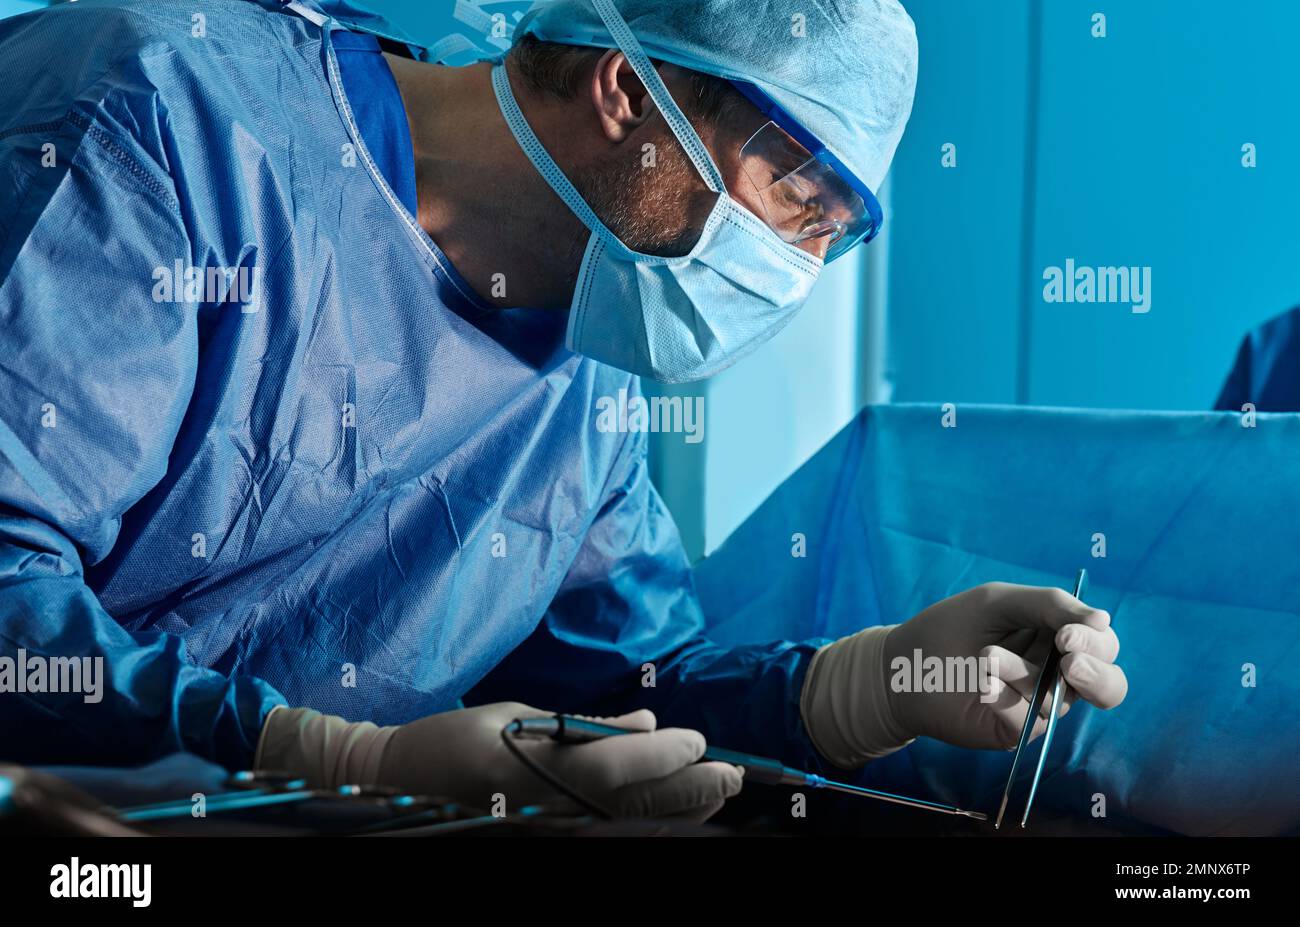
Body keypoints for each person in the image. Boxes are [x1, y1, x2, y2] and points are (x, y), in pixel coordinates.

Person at [0, 0, 1126, 822]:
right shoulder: (163, 121)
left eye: (837, 233)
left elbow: (615, 697)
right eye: (795, 192)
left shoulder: (587, 390)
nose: (799, 266)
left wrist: (867, 687)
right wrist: (321, 755)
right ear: (628, 90)